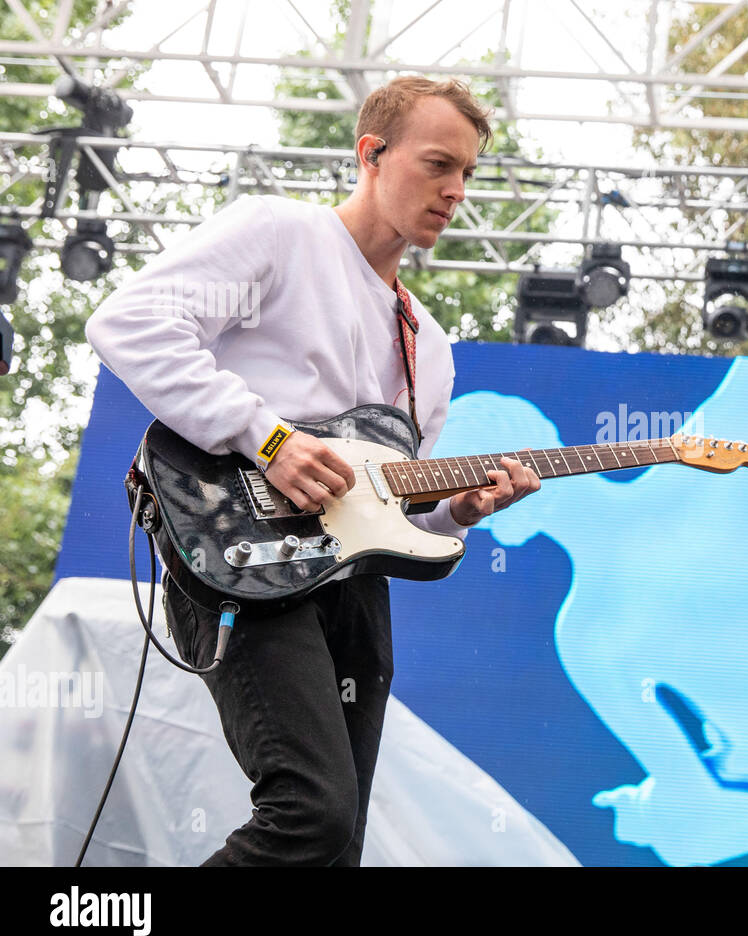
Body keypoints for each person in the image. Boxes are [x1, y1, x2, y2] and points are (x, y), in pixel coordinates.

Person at [85, 76, 541, 865]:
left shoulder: (428, 345)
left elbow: (401, 503)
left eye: (467, 173)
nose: (456, 190)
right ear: (371, 153)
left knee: (338, 849)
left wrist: (458, 509)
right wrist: (266, 437)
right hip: (239, 550)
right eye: (438, 164)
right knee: (311, 814)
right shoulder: (280, 232)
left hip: (351, 584)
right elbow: (127, 323)